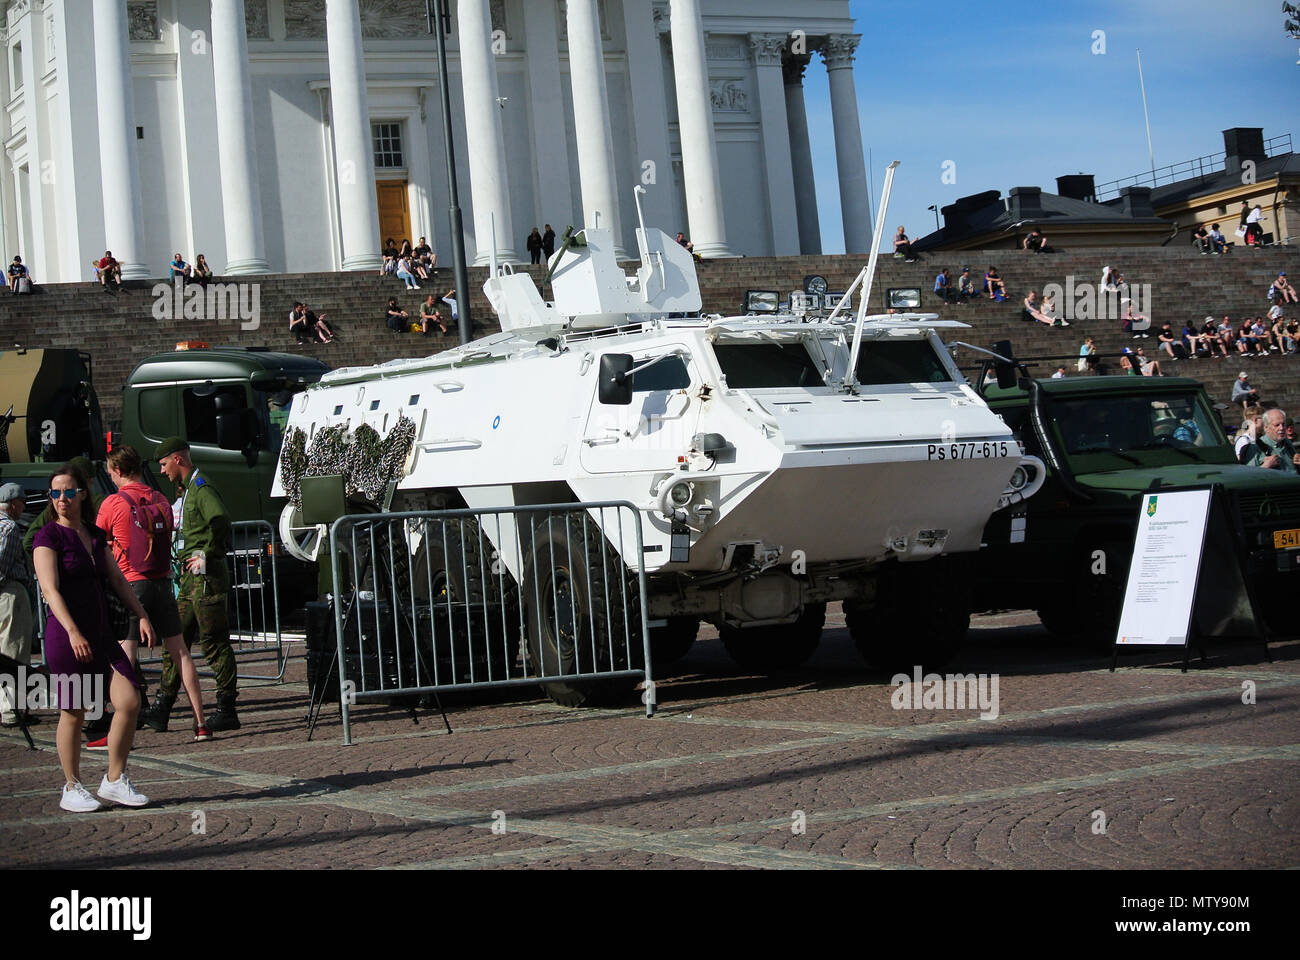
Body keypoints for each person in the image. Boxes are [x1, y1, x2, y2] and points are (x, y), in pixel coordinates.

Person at [34, 463, 154, 811]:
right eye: (55, 493)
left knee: (129, 701)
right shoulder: (48, 536)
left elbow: (117, 580)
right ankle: (71, 786)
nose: (61, 499)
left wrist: (142, 615)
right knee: (74, 711)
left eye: (68, 492)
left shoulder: (93, 533)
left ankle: (114, 779)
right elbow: (50, 589)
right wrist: (72, 631)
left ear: (82, 494)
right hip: (67, 635)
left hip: (102, 635)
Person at [97, 446, 210, 742]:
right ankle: (200, 724)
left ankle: (122, 732)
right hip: (162, 582)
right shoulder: (159, 498)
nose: (110, 477)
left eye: (110, 472)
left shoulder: (113, 503)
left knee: (125, 656)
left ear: (119, 471)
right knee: (182, 653)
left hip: (131, 584)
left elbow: (96, 543)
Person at [144, 438, 240, 733]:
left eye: (163, 464)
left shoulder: (200, 488)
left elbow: (221, 519)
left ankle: (226, 708)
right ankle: (163, 705)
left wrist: (207, 553)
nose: (162, 471)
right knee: (175, 640)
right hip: (189, 580)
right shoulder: (186, 491)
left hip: (206, 578)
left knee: (213, 641)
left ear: (178, 459)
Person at [0, 483, 37, 728]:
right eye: (22, 503)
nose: (23, 507)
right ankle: (11, 711)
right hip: (8, 592)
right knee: (12, 651)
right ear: (14, 504)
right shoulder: (9, 526)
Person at [1245, 409, 1300, 474]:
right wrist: (1265, 466)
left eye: (1283, 424)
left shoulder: (1287, 443)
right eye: (1277, 425)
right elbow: (1249, 476)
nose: (1281, 428)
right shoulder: (1255, 447)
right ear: (1266, 428)